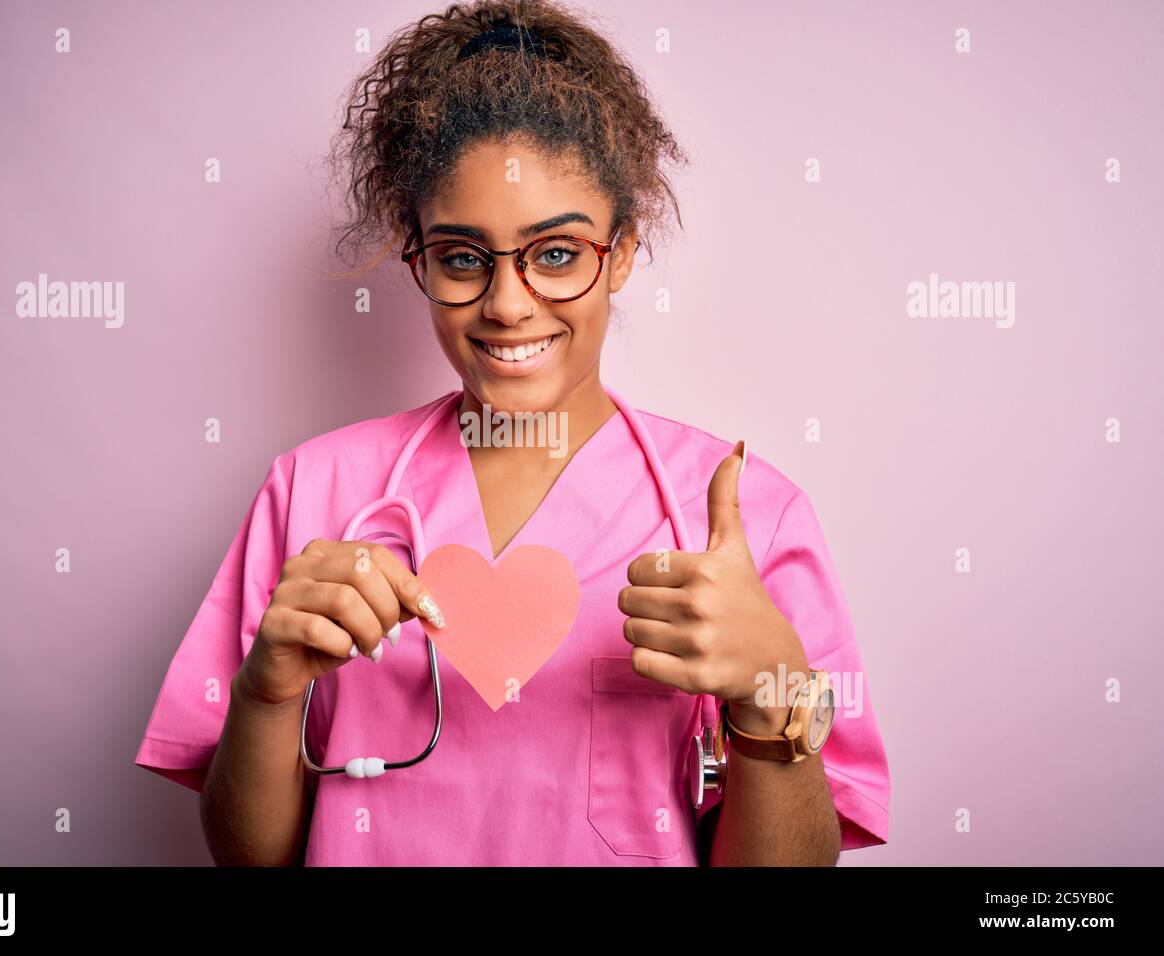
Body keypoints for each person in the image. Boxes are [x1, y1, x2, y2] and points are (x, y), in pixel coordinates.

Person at [134, 0, 890, 866]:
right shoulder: (314, 493)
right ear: (416, 255)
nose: (506, 302)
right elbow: (249, 857)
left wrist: (767, 700)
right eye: (462, 257)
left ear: (625, 249)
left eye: (558, 253)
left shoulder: (748, 516)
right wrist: (266, 698)